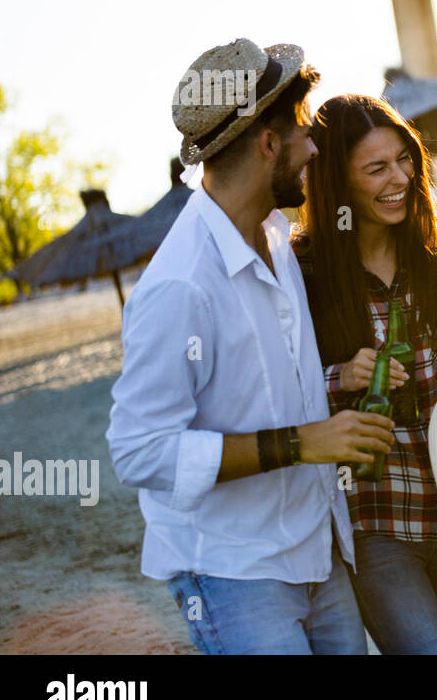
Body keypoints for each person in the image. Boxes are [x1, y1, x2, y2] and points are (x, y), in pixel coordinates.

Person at [108, 38, 394, 654]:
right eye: (301, 131)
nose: (314, 147)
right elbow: (140, 452)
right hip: (232, 574)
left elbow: (257, 388)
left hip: (318, 550)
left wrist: (334, 384)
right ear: (269, 143)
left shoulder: (276, 237)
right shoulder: (181, 285)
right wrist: (300, 444)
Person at [292, 93, 437, 655]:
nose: (401, 178)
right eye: (377, 168)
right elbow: (272, 392)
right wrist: (337, 378)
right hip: (377, 518)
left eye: (405, 160)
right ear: (338, 182)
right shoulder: (303, 272)